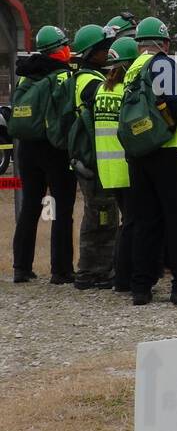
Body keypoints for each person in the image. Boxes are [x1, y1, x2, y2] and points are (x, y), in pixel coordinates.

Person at [122, 16, 177, 306]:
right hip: (169, 151)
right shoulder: (162, 63)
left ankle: (141, 287)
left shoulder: (131, 70)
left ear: (138, 45)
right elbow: (176, 98)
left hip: (139, 154)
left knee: (147, 221)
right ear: (165, 43)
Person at [11, 25, 77, 284]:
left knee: (30, 206)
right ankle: (61, 270)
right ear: (59, 49)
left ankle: (21, 267)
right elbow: (67, 112)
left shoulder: (25, 75)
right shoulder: (62, 76)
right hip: (54, 147)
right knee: (61, 208)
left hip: (26, 147)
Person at [68, 24, 117, 290]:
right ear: (91, 53)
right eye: (103, 50)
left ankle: (97, 270)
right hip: (91, 159)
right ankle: (90, 271)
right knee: (100, 214)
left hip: (88, 157)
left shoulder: (87, 76)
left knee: (101, 213)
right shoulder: (89, 81)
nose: (108, 53)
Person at [95, 37, 137, 293]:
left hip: (107, 169)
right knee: (132, 223)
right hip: (125, 165)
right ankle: (124, 278)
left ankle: (119, 275)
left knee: (126, 221)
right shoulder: (126, 91)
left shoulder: (103, 90)